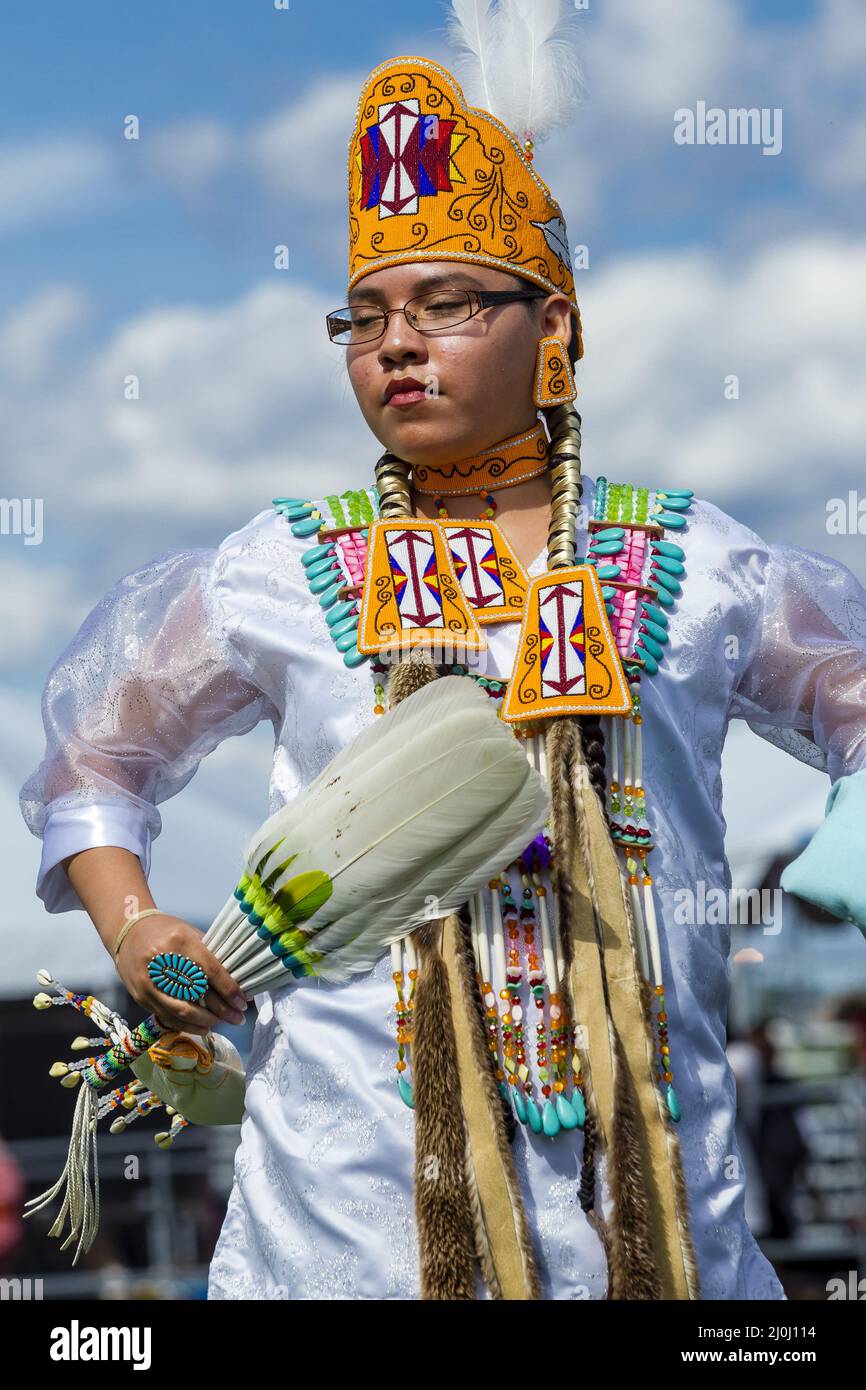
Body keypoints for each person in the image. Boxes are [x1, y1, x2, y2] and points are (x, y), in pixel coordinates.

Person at [19, 6, 866, 1300]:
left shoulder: (697, 564)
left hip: (663, 1243)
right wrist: (135, 928)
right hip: (340, 1237)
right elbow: (98, 750)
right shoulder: (282, 569)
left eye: (445, 303)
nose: (396, 343)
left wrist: (843, 861)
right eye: (362, 318)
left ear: (556, 326)